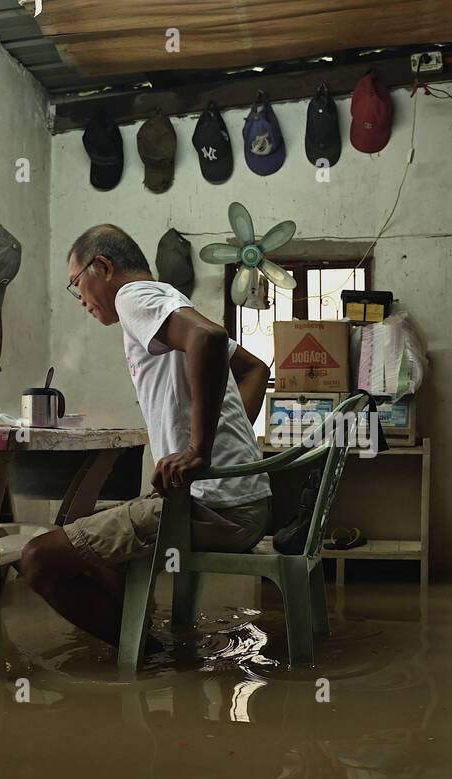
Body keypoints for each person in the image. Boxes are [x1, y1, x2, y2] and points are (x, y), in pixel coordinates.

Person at [20, 224, 272, 642]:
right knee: (98, 547)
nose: (80, 298)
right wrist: (224, 442)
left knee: (37, 559)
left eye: (76, 284)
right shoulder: (168, 300)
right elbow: (254, 369)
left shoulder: (133, 297)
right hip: (246, 503)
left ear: (101, 266)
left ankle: (148, 657)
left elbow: (209, 338)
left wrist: (199, 449)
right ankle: (137, 636)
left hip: (215, 510)